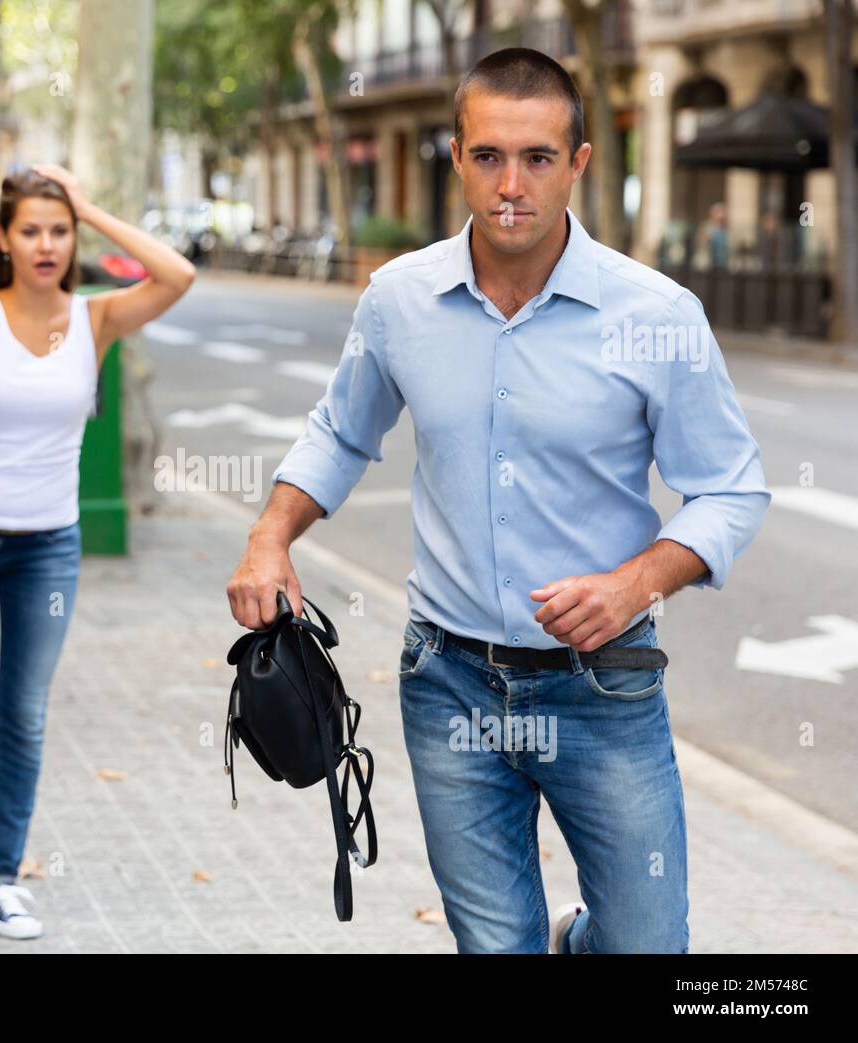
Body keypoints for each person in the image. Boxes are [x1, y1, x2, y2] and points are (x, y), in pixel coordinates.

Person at [226, 48, 770, 954]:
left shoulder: (657, 314)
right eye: (488, 156)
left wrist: (636, 583)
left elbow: (730, 487)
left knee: (647, 946)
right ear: (457, 156)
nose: (511, 184)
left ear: (580, 164)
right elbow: (338, 432)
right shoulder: (399, 301)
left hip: (605, 685)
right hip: (449, 683)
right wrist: (267, 537)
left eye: (538, 158)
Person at [0, 142, 195, 939]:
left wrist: (88, 204)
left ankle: (0, 875)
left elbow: (178, 276)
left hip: (46, 546)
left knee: (24, 713)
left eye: (59, 232)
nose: (46, 245)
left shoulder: (96, 319)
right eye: (30, 230)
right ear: (3, 239)